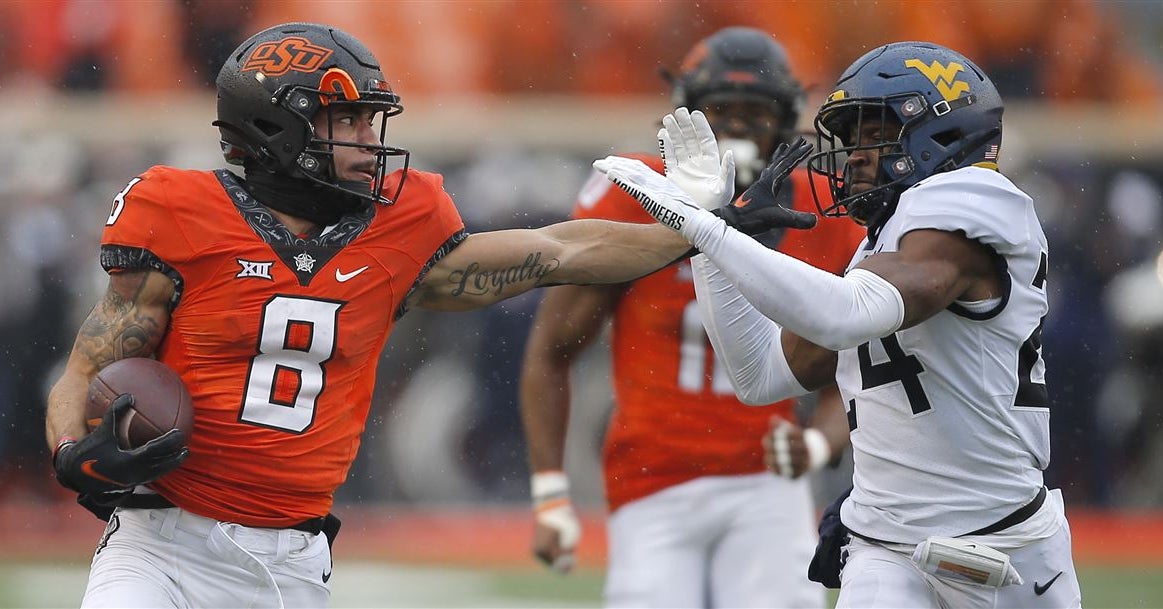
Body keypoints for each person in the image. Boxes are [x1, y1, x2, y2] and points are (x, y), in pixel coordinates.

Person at [40, 22, 795, 609]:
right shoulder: (177, 211)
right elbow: (87, 364)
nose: (372, 140)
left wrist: (704, 230)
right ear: (281, 129)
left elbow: (557, 250)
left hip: (290, 562)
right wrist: (73, 449)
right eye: (349, 121)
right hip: (159, 544)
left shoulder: (398, 227)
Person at [595, 41, 1081, 608]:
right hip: (883, 545)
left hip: (1000, 549)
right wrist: (709, 237)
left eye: (871, 133)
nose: (852, 156)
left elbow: (849, 313)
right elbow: (760, 374)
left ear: (938, 131)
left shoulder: (976, 197)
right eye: (848, 140)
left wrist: (708, 231)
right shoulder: (885, 237)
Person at [519, 27, 862, 608]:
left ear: (785, 121)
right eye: (719, 111)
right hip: (652, 477)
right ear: (684, 116)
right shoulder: (637, 189)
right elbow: (552, 349)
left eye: (755, 114)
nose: (734, 130)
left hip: (766, 480)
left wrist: (818, 445)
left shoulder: (820, 212)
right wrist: (551, 494)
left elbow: (854, 364)